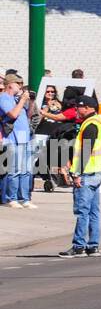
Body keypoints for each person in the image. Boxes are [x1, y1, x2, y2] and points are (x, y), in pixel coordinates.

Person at [58, 95, 101, 257]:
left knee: (82, 211)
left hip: (88, 173)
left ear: (87, 108)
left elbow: (86, 151)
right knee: (94, 211)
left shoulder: (91, 125)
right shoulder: (98, 122)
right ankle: (93, 246)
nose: (76, 111)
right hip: (98, 172)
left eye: (78, 108)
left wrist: (77, 174)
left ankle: (79, 246)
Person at [1, 74, 35, 209]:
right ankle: (12, 198)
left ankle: (24, 198)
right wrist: (22, 100)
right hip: (12, 138)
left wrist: (30, 102)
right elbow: (13, 114)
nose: (21, 86)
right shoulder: (4, 98)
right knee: (15, 170)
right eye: (18, 83)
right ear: (10, 84)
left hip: (25, 137)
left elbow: (28, 115)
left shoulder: (17, 99)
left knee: (26, 170)